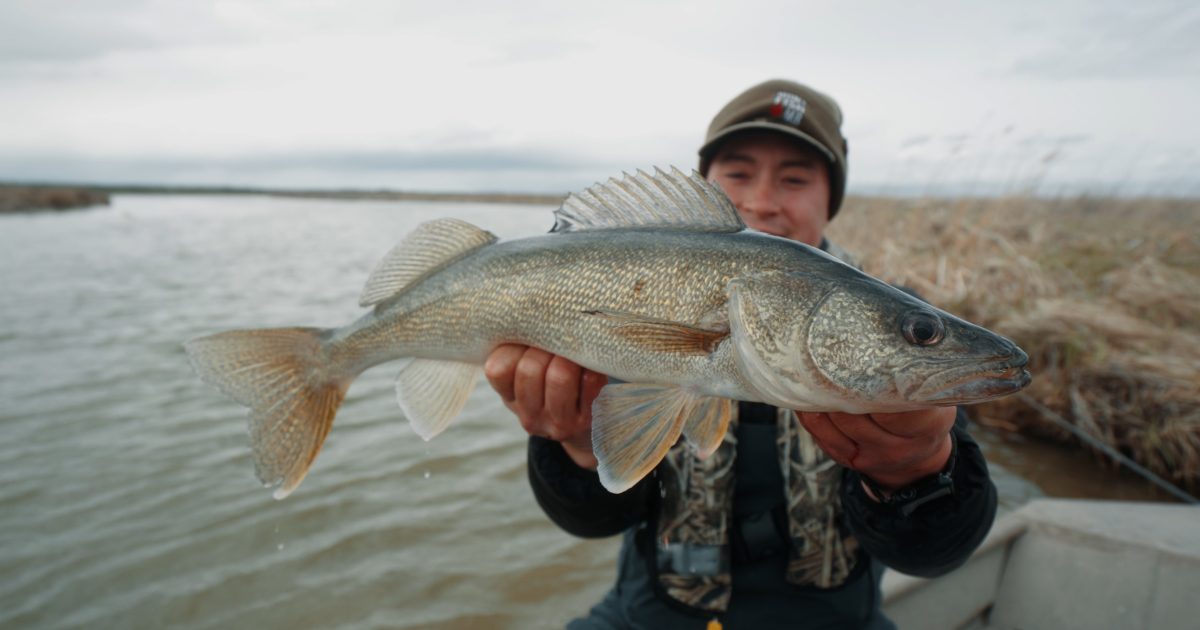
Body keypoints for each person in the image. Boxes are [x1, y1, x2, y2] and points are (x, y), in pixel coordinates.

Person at [484, 79, 997, 629]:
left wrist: (918, 473)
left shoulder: (889, 325)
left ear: (832, 199)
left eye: (795, 178)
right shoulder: (632, 285)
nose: (760, 201)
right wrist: (575, 449)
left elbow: (934, 554)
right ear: (704, 181)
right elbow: (593, 520)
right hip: (650, 615)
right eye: (737, 172)